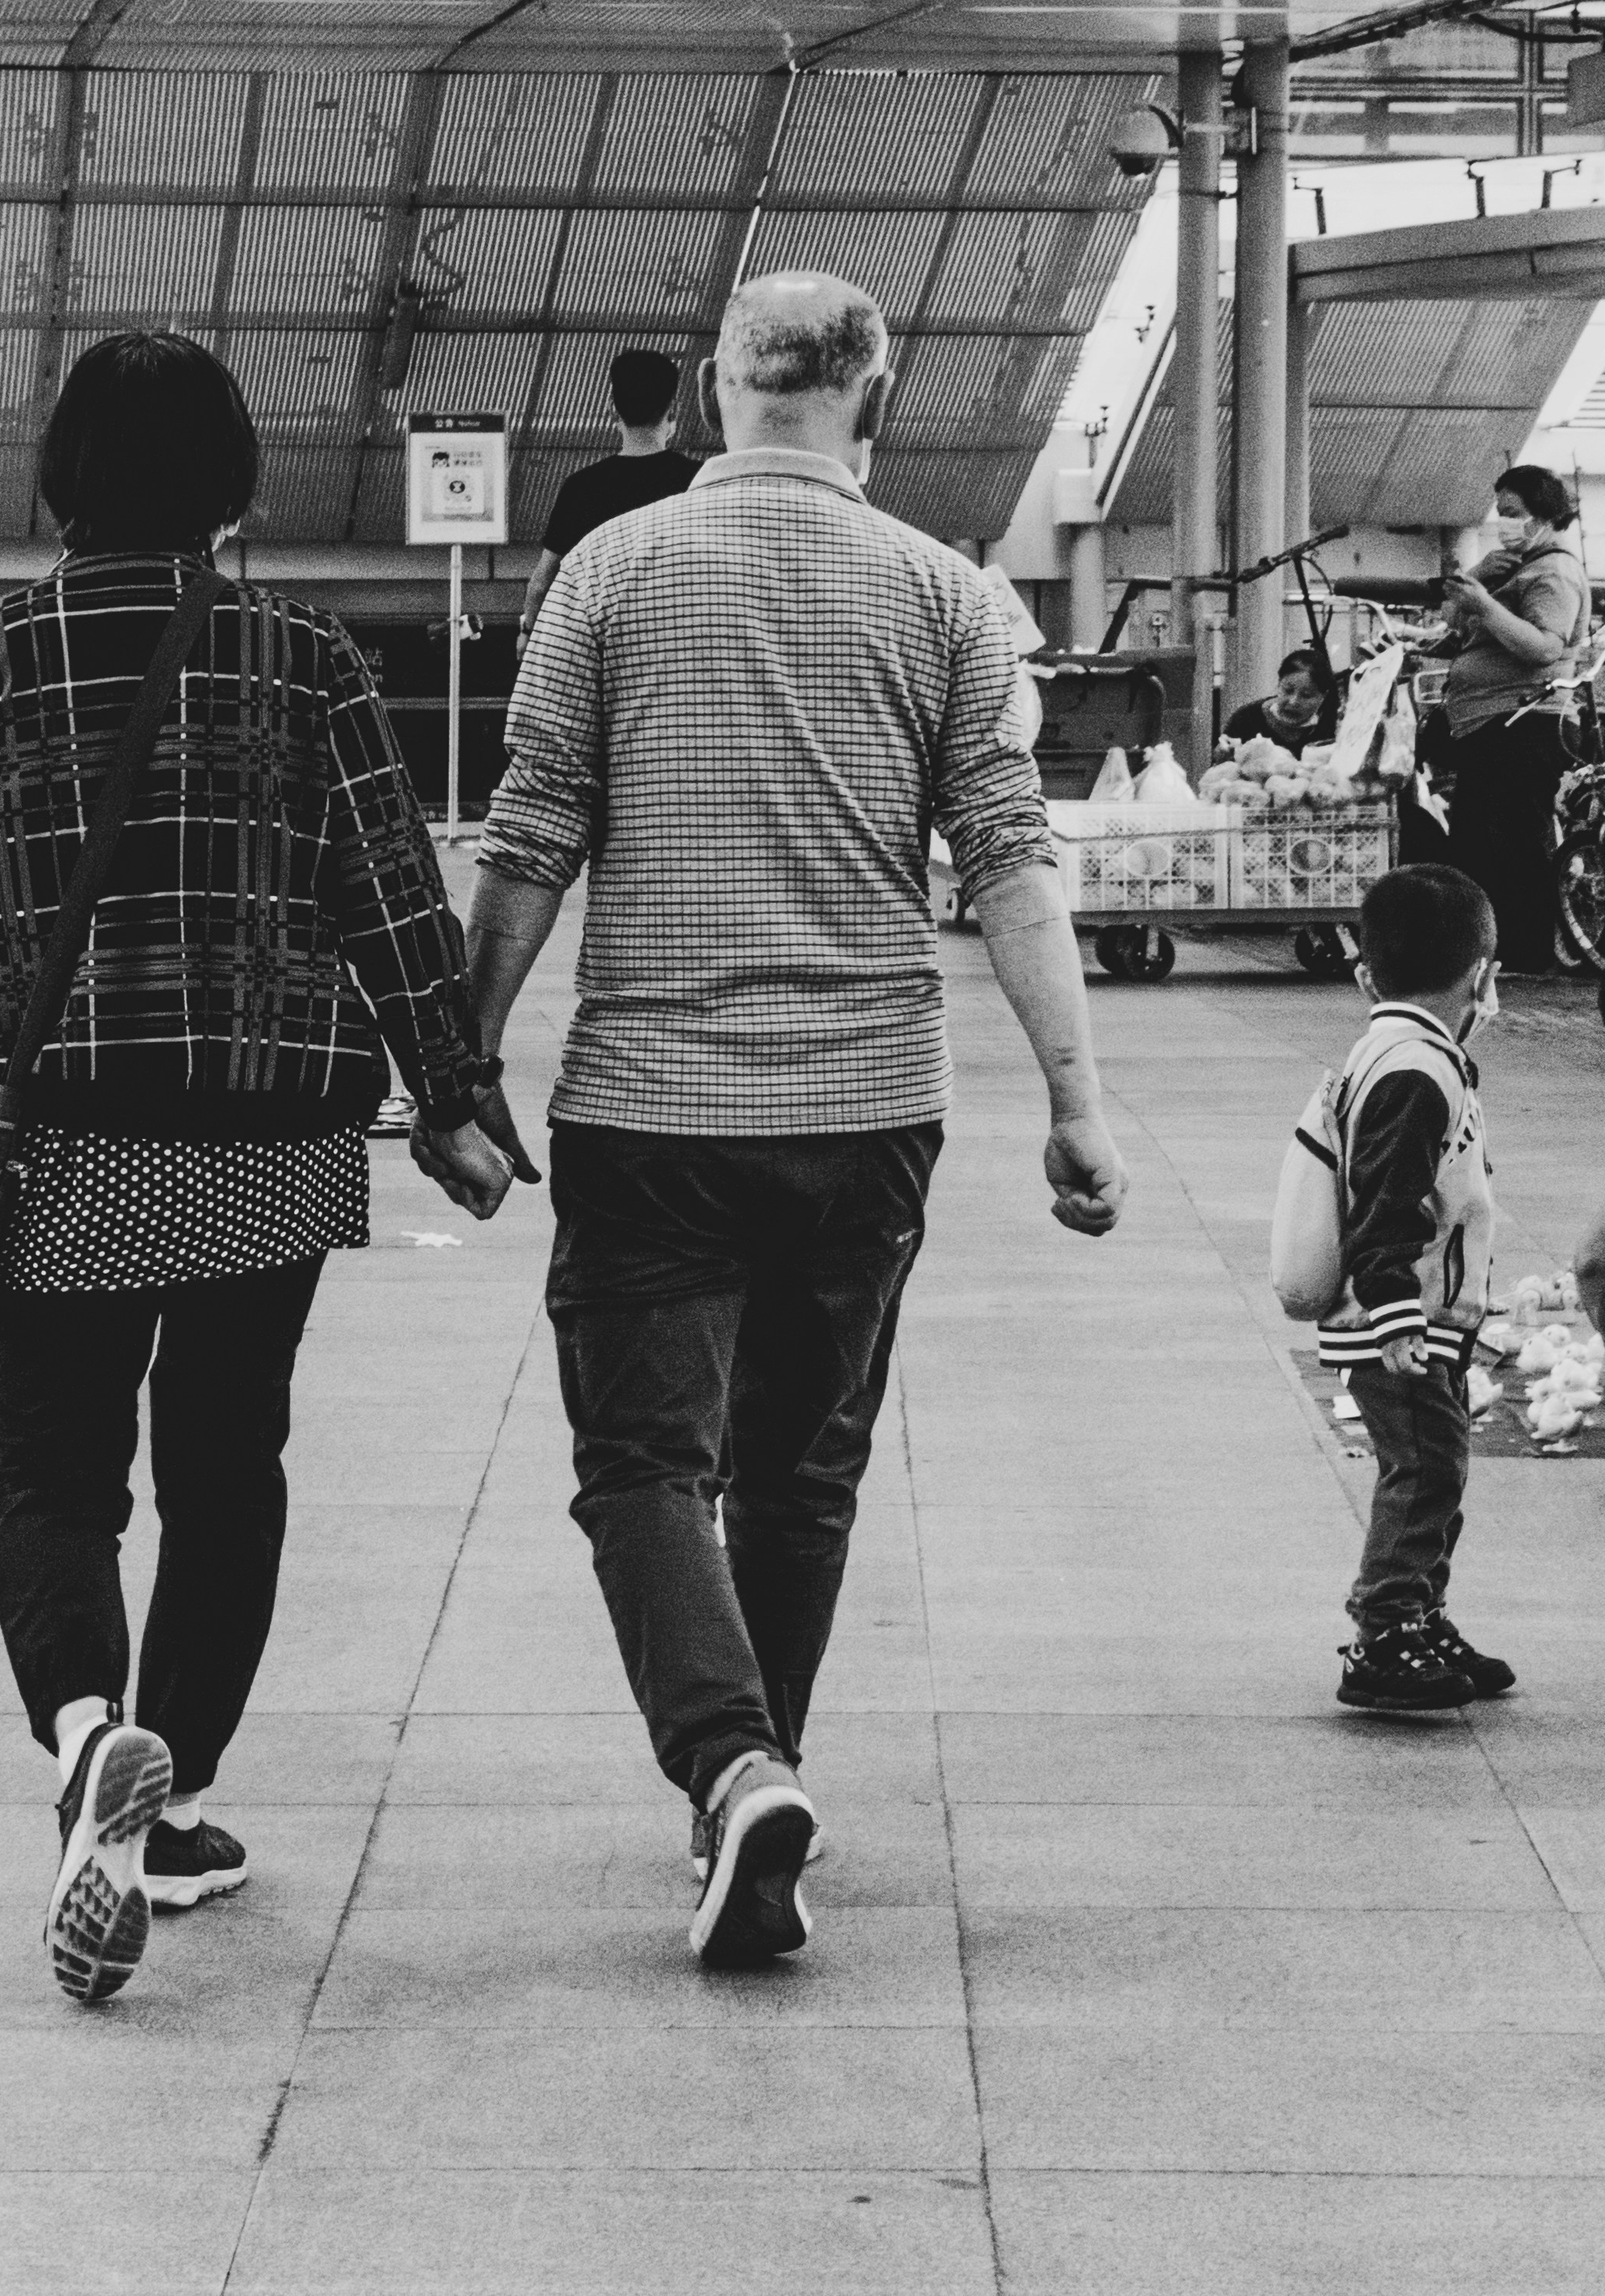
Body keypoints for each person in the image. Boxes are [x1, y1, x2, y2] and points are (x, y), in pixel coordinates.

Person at [420, 271, 1128, 1970]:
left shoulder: (611, 567)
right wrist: (1072, 1096)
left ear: (724, 395)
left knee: (640, 1465)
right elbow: (1011, 856)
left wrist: (460, 1061)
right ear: (868, 406)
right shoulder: (947, 595)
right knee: (801, 1476)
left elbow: (528, 834)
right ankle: (751, 1794)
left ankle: (735, 1772)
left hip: (650, 1107)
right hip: (869, 1107)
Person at [0, 330, 511, 2007]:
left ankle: (86, 1732)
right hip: (265, 1131)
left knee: (53, 1468)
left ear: (63, 476)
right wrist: (450, 1085)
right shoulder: (303, 654)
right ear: (231, 478)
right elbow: (388, 887)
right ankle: (171, 1800)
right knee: (228, 1470)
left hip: (64, 1127)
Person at [1317, 864, 1512, 1713]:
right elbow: (1384, 1201)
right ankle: (1387, 1630)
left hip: (1415, 1317)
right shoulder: (1415, 1071)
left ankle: (1421, 1615)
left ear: (1368, 974)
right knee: (1423, 1473)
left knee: (1438, 1470)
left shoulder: (1410, 1054)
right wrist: (1398, 1311)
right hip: (1400, 1324)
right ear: (1481, 975)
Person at [1437, 465, 1590, 974]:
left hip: (1524, 720)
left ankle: (1525, 949)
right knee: (1476, 839)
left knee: (1514, 838)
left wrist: (1485, 605)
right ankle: (1492, 947)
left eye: (1512, 514)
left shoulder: (1553, 572)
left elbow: (1545, 647)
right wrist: (1478, 578)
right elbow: (1451, 621)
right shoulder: (1510, 564)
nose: (1503, 522)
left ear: (1543, 515)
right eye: (1498, 513)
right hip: (1489, 722)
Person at [515, 349, 699, 652]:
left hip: (604, 648)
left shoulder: (582, 488)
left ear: (612, 407)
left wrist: (528, 631)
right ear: (674, 409)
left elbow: (541, 582)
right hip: (679, 644)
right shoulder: (699, 482)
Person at [1223, 647, 1336, 758]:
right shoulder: (1246, 719)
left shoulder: (1331, 727)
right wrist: (1223, 754)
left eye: (1306, 695)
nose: (1294, 702)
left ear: (1323, 697)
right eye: (1288, 690)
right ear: (1279, 684)